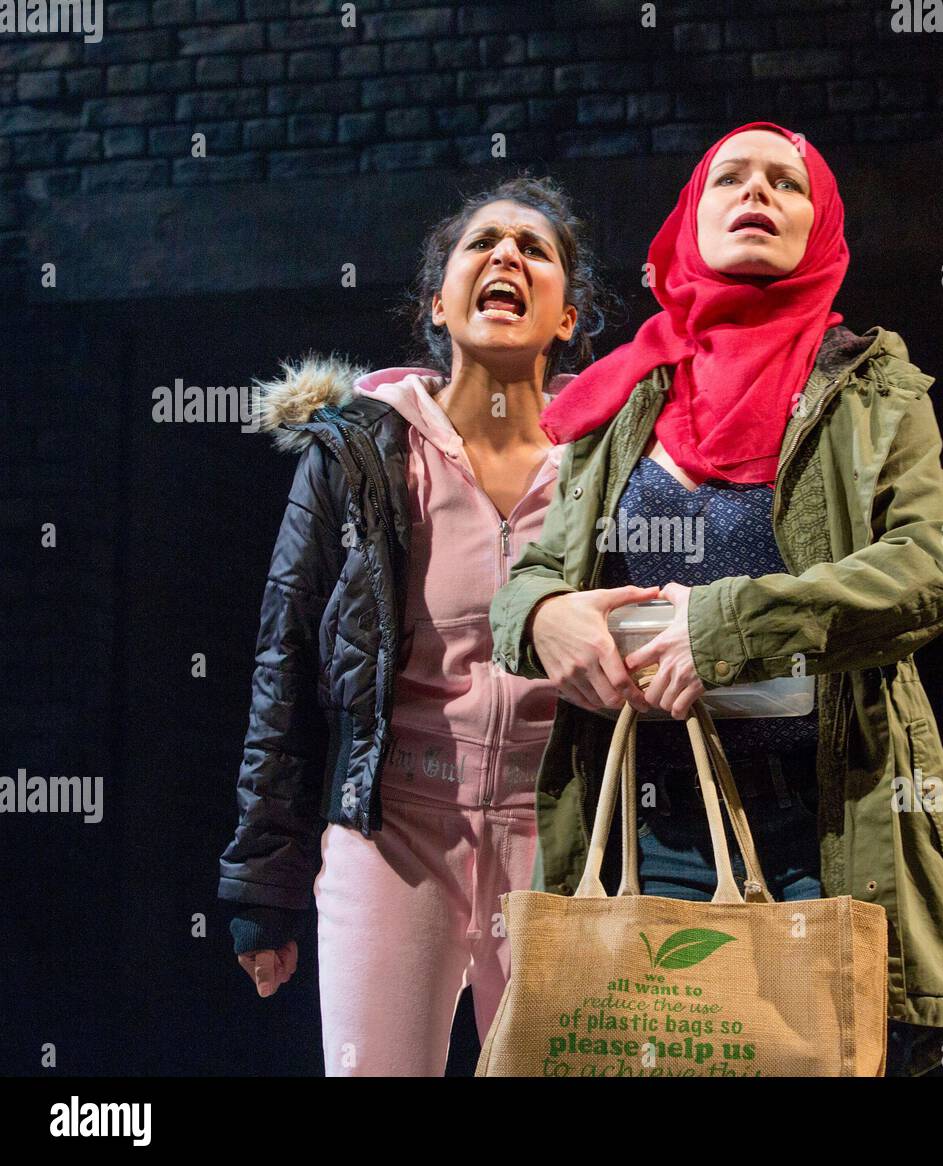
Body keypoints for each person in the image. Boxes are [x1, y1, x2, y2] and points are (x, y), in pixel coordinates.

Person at [489, 123, 943, 1077]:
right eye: (730, 177)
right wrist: (541, 617)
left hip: (820, 827)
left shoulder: (870, 385)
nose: (757, 194)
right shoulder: (630, 391)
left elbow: (933, 568)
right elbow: (530, 578)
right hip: (637, 830)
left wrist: (725, 627)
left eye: (786, 183)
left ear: (822, 226)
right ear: (694, 214)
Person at [215, 174, 640, 1075]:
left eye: (536, 249)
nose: (508, 257)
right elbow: (283, 665)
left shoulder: (609, 461)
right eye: (482, 242)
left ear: (569, 318)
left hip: (560, 833)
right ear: (437, 302)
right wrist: (265, 879)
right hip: (394, 831)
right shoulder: (360, 452)